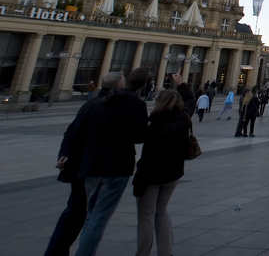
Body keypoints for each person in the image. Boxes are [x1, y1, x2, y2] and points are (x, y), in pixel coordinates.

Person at [69, 67, 149, 256]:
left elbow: (78, 132)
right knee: (100, 217)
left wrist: (69, 156)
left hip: (91, 165)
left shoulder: (98, 103)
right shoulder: (135, 104)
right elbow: (140, 136)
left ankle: (83, 250)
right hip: (116, 166)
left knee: (92, 215)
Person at [45, 72, 122, 256]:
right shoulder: (102, 106)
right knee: (80, 212)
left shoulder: (91, 104)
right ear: (118, 87)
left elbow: (71, 131)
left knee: (76, 211)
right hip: (88, 167)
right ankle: (58, 251)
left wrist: (64, 154)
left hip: (83, 165)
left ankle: (57, 250)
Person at [132, 82, 196, 256]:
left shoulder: (153, 126)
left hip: (151, 176)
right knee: (161, 211)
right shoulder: (184, 118)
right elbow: (191, 101)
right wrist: (181, 83)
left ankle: (142, 252)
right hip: (173, 174)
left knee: (146, 216)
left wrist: (139, 180)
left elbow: (147, 156)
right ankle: (166, 252)